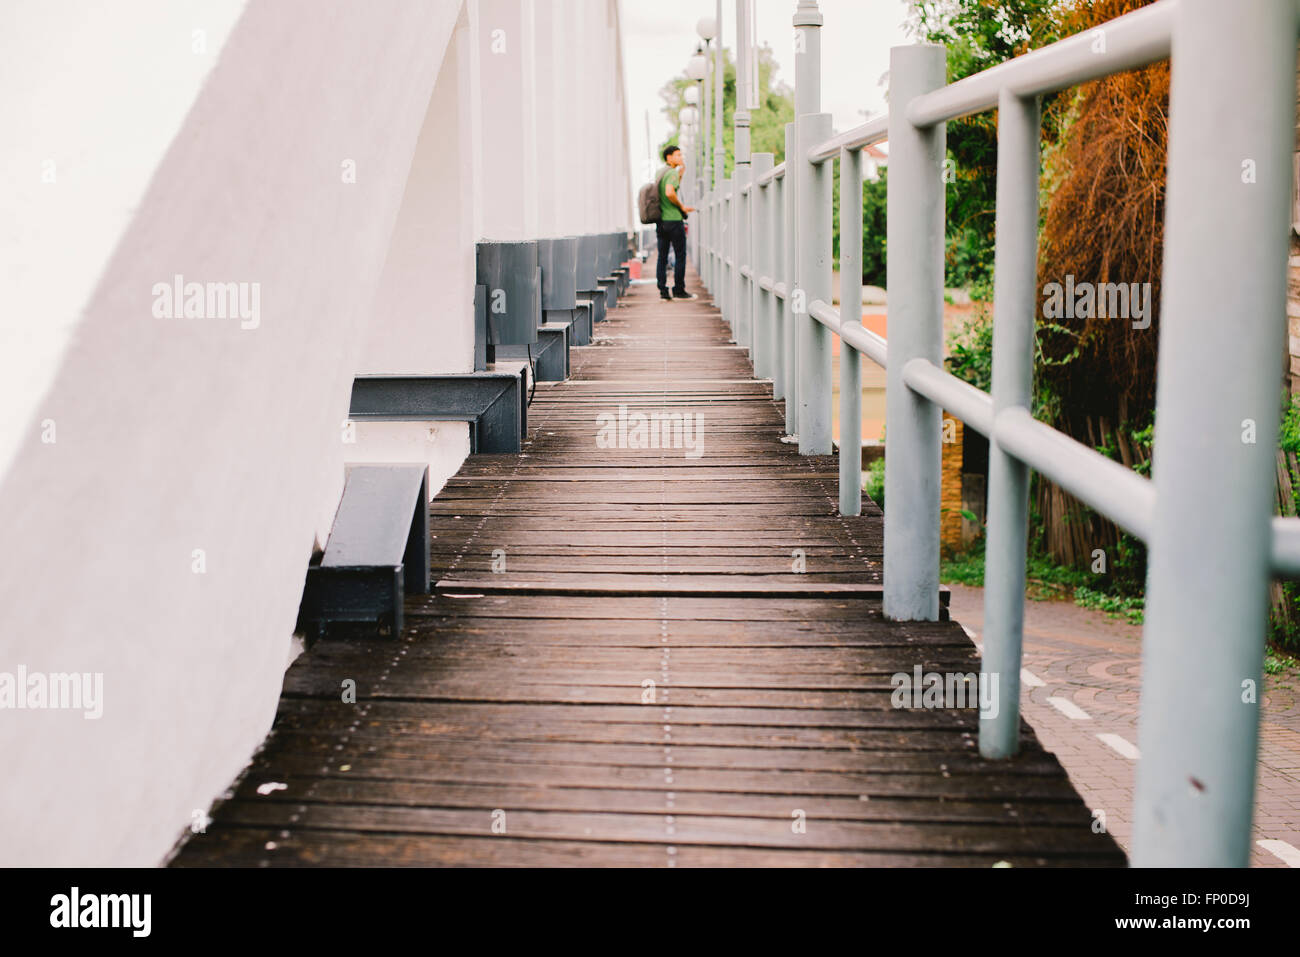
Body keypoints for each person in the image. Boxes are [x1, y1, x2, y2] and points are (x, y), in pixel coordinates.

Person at [656, 145, 695, 301]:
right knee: (680, 255)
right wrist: (682, 207)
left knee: (662, 256)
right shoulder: (672, 172)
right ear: (669, 157)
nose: (681, 157)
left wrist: (681, 174)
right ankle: (679, 290)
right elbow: (670, 192)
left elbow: (667, 189)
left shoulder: (661, 172)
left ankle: (663, 291)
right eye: (677, 155)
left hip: (661, 220)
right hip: (673, 219)